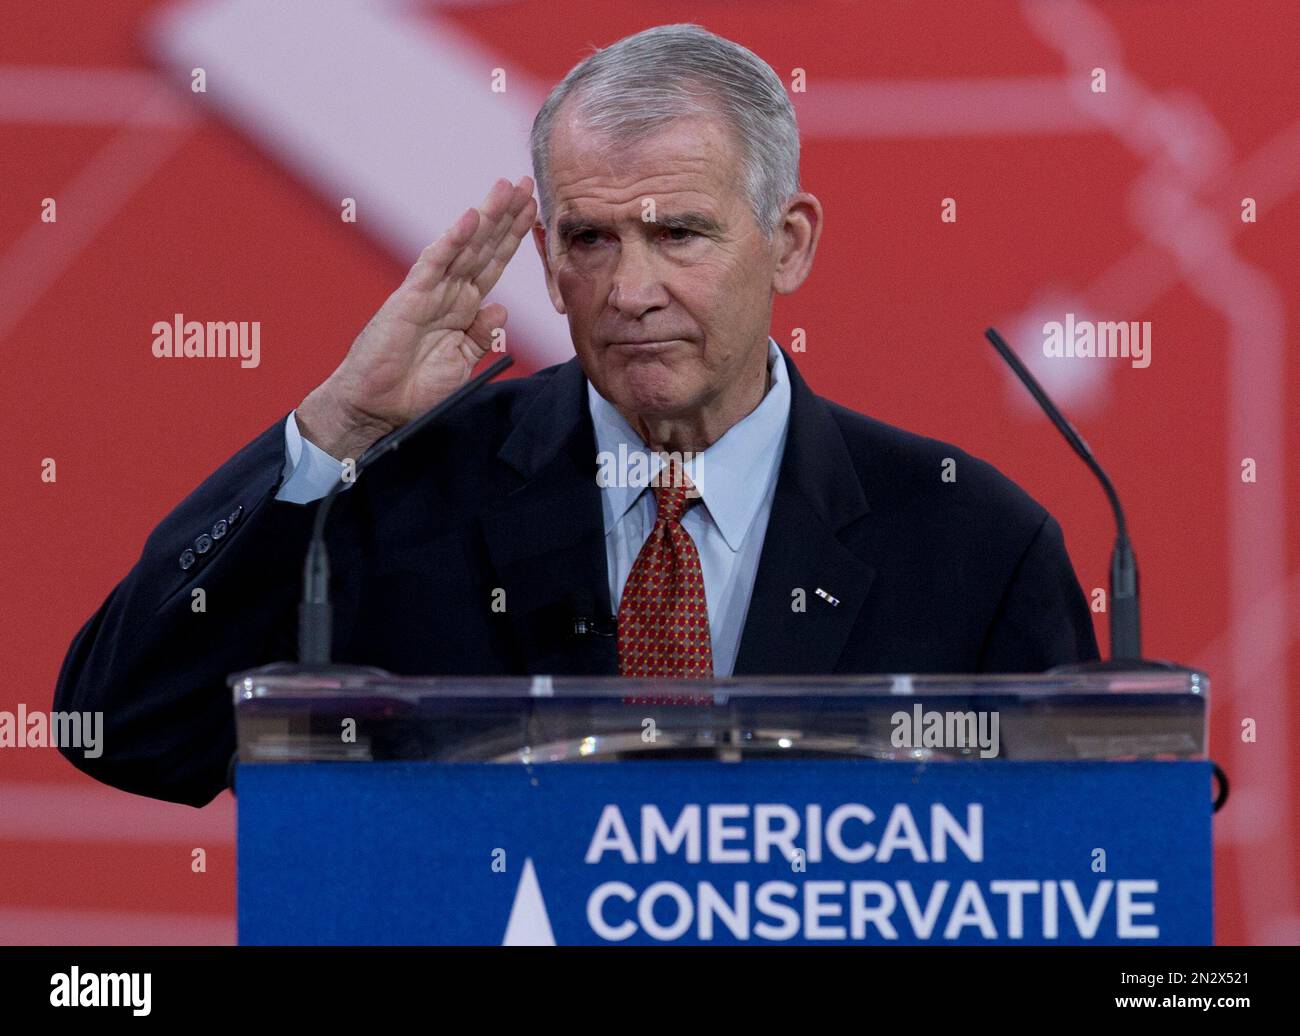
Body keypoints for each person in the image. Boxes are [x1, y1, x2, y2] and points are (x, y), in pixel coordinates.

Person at [53, 24, 1098, 807]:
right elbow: (124, 729)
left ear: (788, 242)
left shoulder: (972, 542)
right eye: (591, 240)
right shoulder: (392, 497)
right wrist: (334, 428)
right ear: (547, 263)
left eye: (679, 233)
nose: (629, 288)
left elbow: (1074, 866)